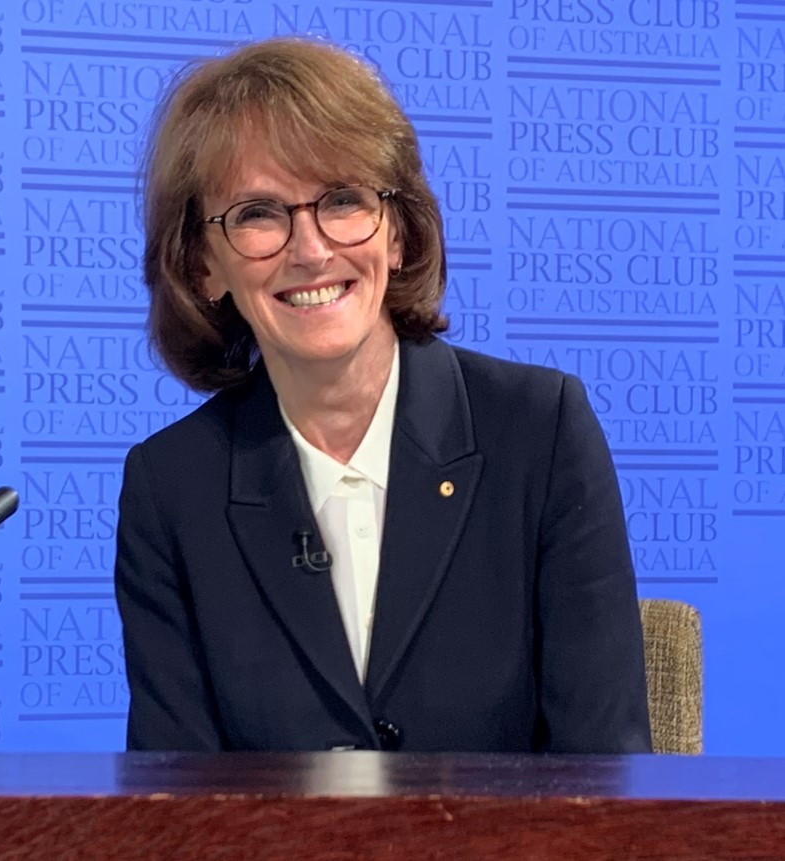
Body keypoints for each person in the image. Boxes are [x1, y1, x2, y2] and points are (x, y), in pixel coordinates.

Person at [114, 37, 651, 753]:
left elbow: (604, 780)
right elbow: (176, 811)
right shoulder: (172, 487)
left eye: (342, 200)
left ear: (396, 233)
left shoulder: (538, 433)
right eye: (257, 214)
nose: (308, 248)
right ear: (202, 264)